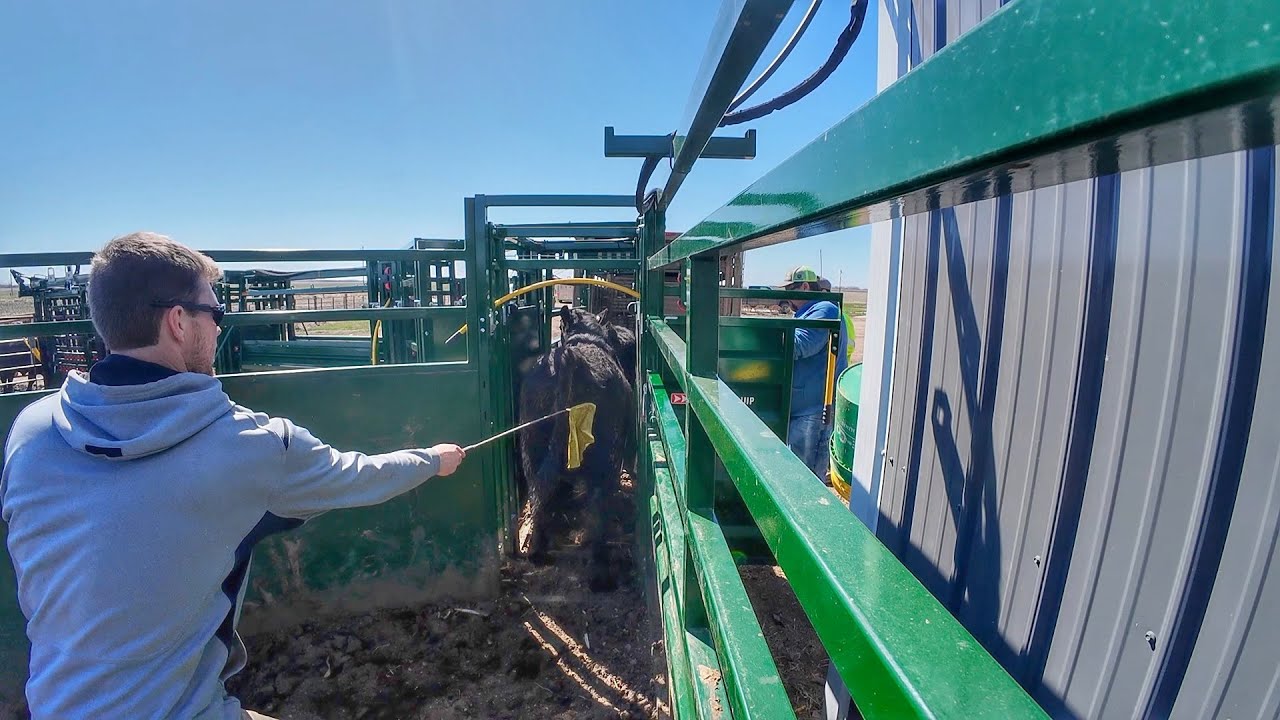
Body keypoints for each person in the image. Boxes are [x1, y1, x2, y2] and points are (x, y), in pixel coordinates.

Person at [0, 232, 467, 720]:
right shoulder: (249, 445)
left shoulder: (32, 432)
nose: (221, 329)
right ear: (178, 321)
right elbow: (359, 477)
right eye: (216, 313)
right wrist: (432, 460)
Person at [781, 266, 848, 481]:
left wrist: (765, 336)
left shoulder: (825, 309)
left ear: (805, 286)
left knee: (803, 477)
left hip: (814, 409)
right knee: (796, 470)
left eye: (790, 289)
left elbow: (801, 345)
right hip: (803, 406)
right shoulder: (807, 312)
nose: (786, 296)